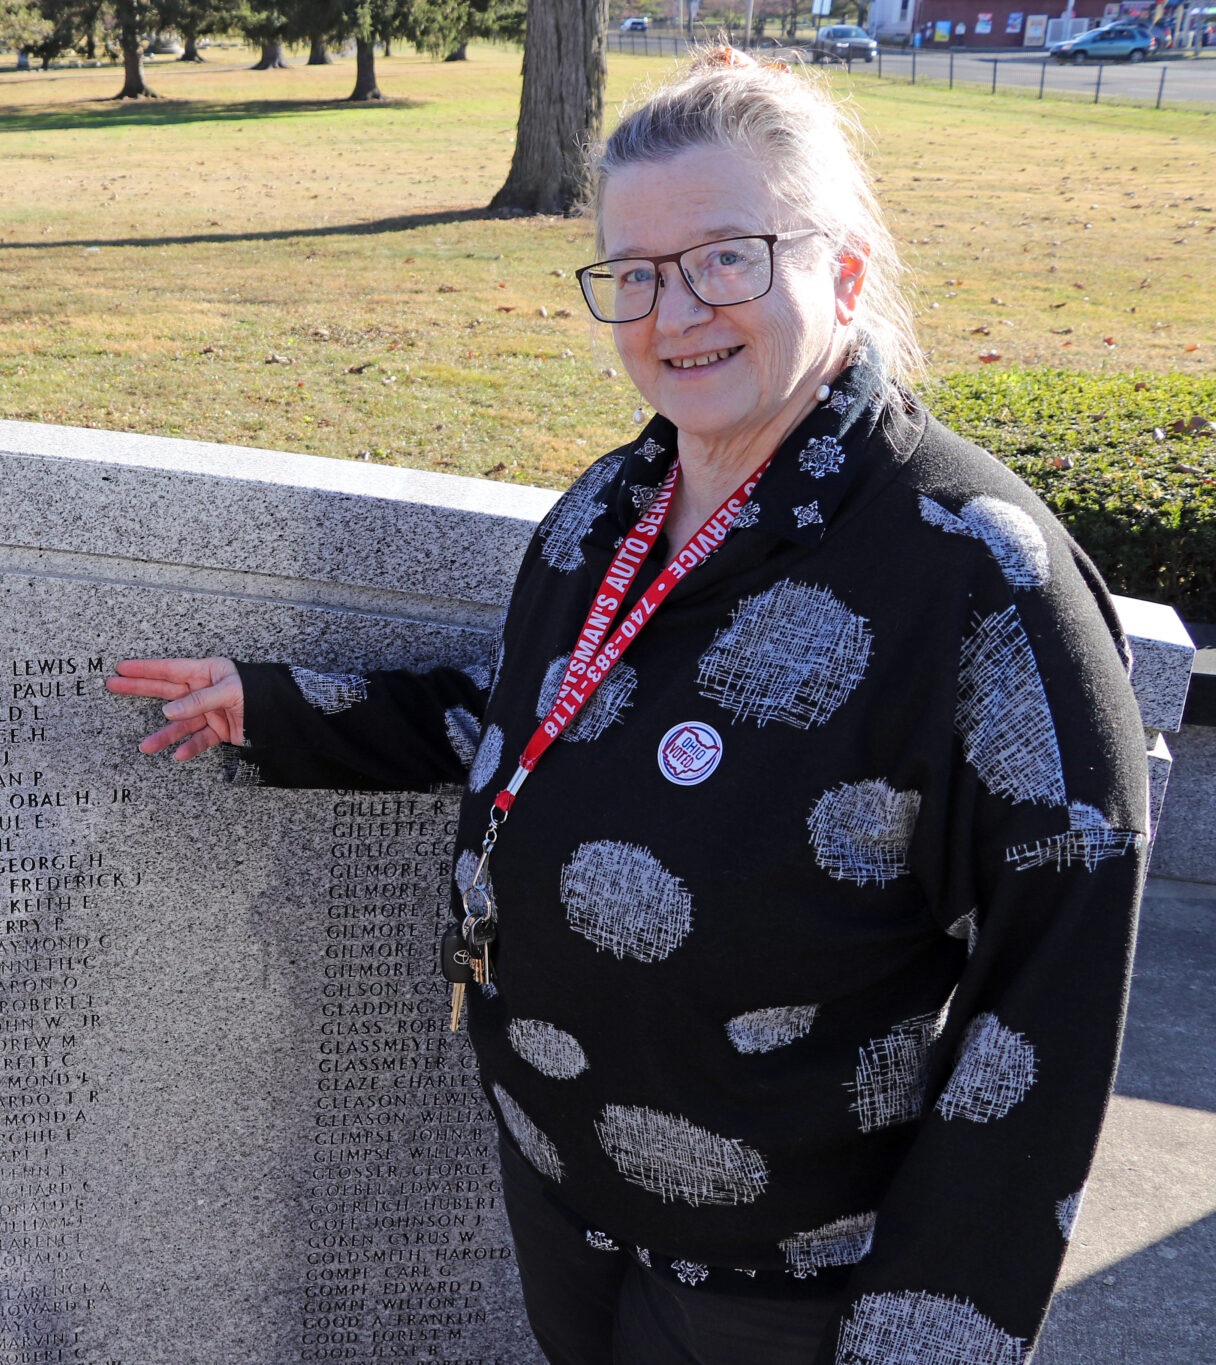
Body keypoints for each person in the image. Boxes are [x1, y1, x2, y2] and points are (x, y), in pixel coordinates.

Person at [107, 48, 1147, 1365]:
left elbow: (1047, 1001)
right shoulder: (616, 502)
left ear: (843, 270)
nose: (675, 311)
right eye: (636, 274)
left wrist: (923, 1341)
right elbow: (527, 713)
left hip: (785, 1288)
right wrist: (277, 709)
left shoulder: (978, 574)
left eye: (726, 256)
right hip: (566, 1204)